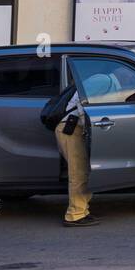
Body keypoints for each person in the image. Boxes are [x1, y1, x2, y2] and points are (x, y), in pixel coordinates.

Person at [54, 87, 98, 227]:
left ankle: (82, 210)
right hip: (71, 128)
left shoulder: (100, 79)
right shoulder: (103, 79)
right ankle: (74, 215)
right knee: (78, 172)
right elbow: (83, 104)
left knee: (84, 171)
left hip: (73, 128)